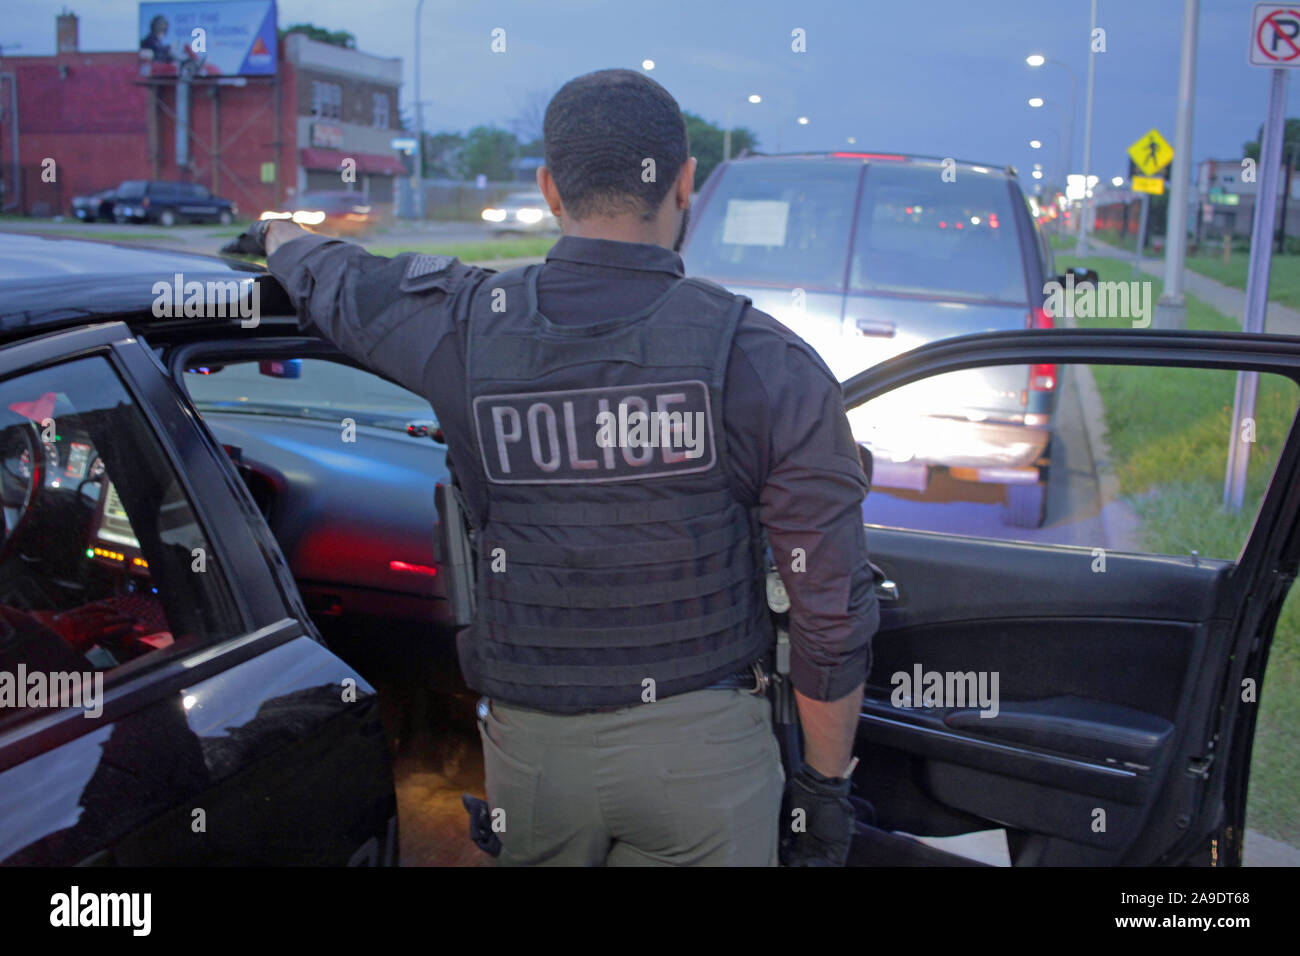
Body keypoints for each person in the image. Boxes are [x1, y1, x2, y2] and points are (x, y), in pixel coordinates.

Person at [221, 68, 878, 867]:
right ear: (686, 182)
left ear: (548, 189)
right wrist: (823, 787)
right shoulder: (764, 358)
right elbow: (830, 611)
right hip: (703, 758)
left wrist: (277, 235)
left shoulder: (462, 324)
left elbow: (336, 279)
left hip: (533, 758)